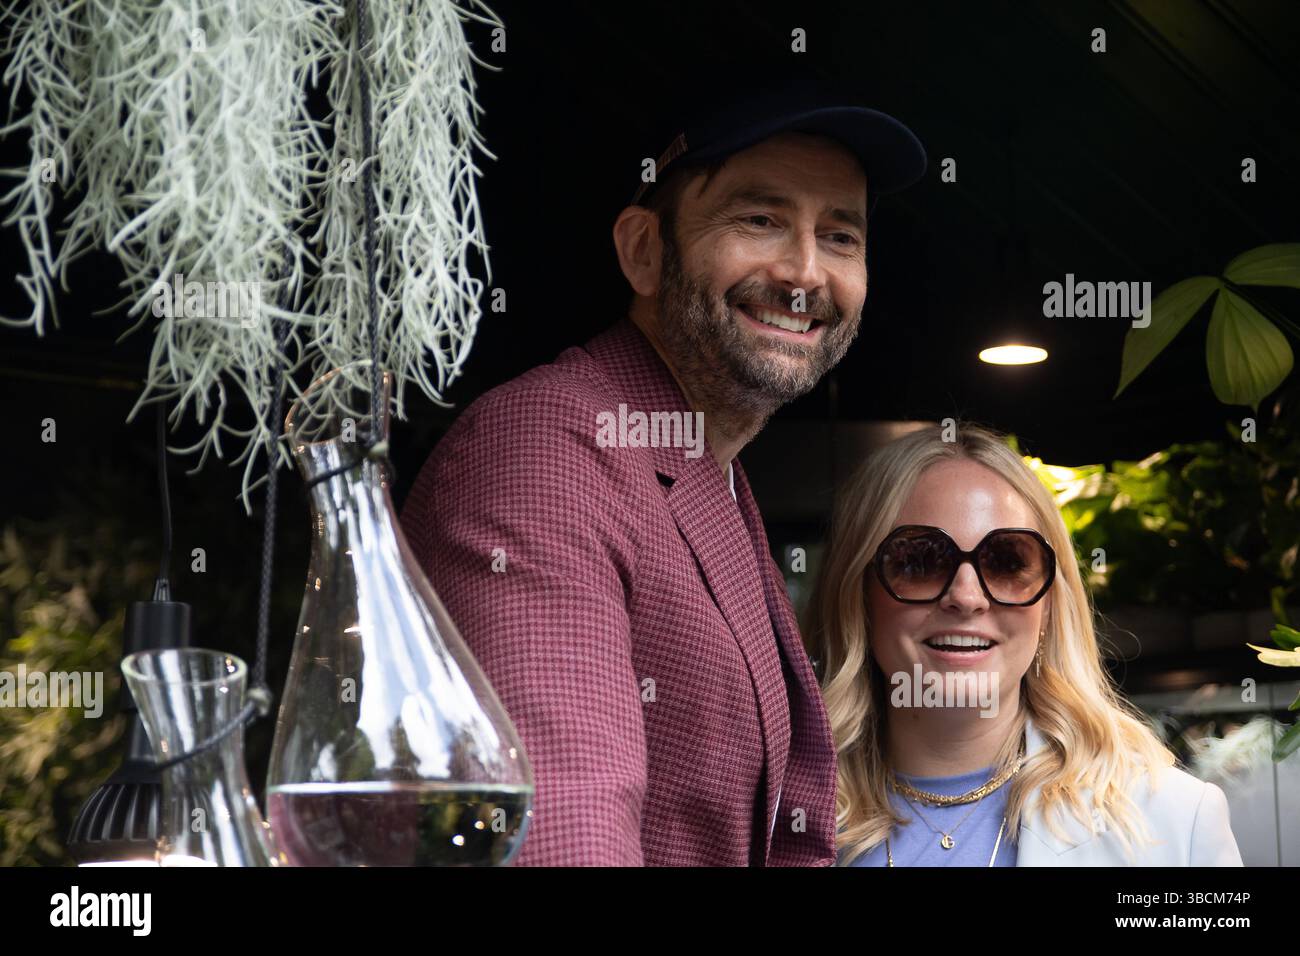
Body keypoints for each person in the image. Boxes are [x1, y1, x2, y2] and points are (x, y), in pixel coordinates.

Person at [398, 71, 927, 865]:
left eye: (841, 236)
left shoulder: (703, 460)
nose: (806, 273)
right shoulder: (546, 446)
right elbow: (559, 837)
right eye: (760, 218)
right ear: (644, 251)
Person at [805, 422, 1244, 866]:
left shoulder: (1175, 820)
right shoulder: (782, 817)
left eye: (1006, 562)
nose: (967, 597)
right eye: (919, 560)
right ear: (856, 595)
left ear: (1049, 604)